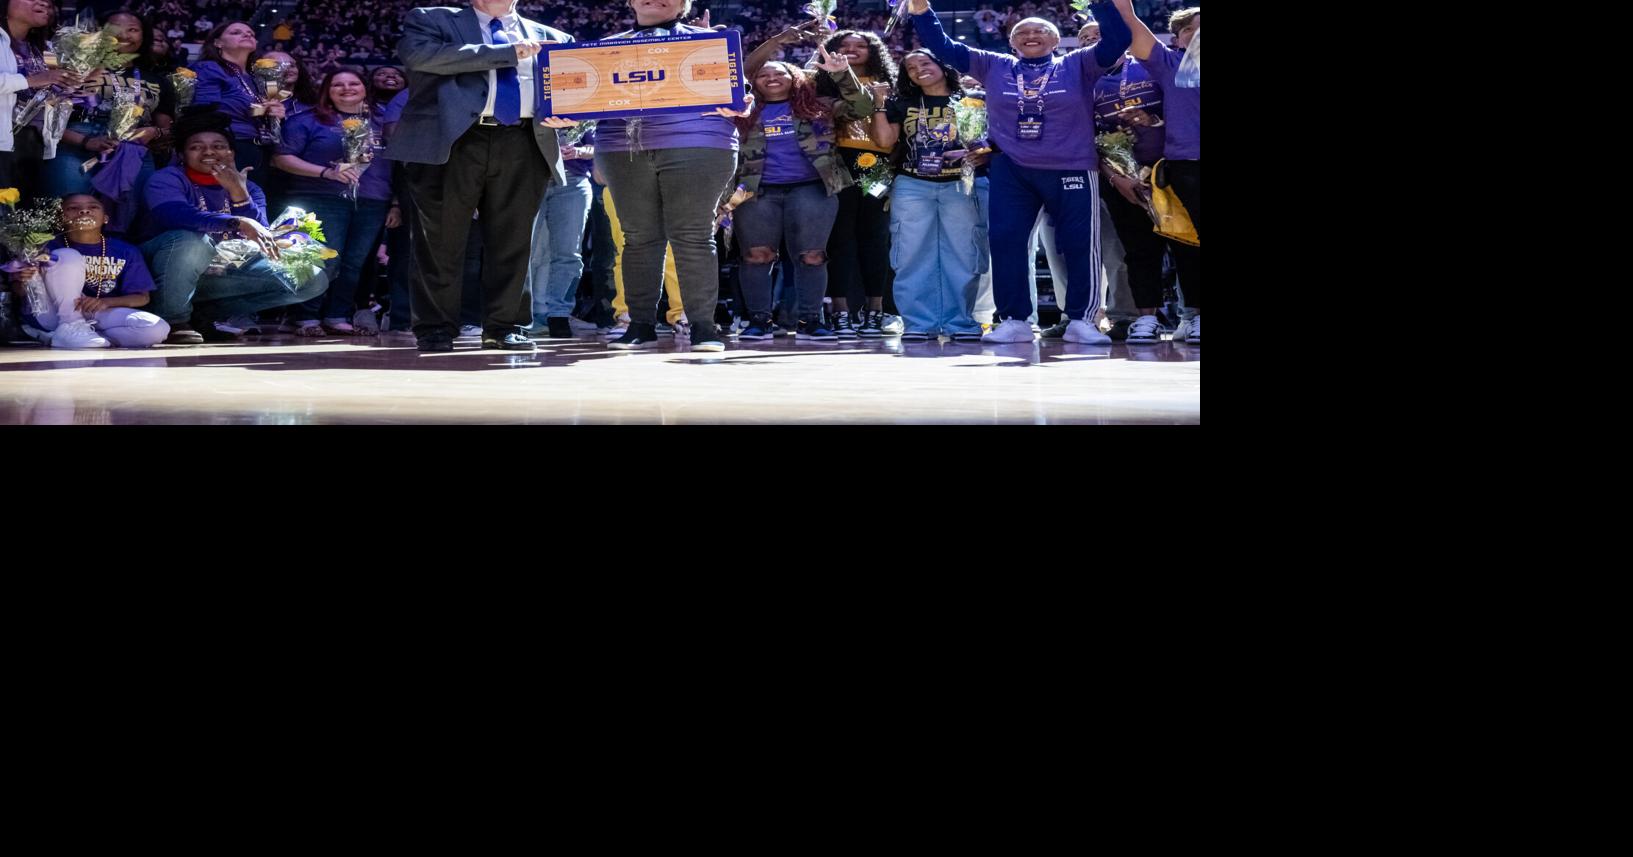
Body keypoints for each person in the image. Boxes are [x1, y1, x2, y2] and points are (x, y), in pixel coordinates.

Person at [905, 0, 1132, 345]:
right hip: (1012, 168)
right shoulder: (994, 64)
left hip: (1070, 166)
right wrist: (922, 10)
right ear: (1011, 43)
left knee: (1079, 244)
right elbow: (943, 47)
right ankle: (1014, 320)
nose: (1030, 35)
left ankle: (1082, 320)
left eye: (1040, 30)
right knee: (1006, 241)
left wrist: (1100, 4)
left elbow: (1118, 40)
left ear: (1056, 40)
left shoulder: (1079, 63)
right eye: (1021, 32)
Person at [385, 0, 568, 352]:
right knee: (439, 240)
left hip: (525, 140)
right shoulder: (432, 19)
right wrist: (508, 52)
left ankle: (505, 326)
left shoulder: (554, 37)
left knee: (514, 242)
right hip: (450, 140)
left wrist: (572, 114)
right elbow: (423, 57)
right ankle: (435, 328)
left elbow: (571, 91)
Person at [588, 0, 751, 353]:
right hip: (622, 147)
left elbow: (740, 94)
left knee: (692, 235)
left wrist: (741, 102)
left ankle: (703, 327)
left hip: (697, 143)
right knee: (638, 237)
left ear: (682, 5)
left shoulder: (706, 42)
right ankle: (640, 326)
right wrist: (566, 113)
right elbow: (585, 97)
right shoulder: (603, 48)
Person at [139, 107, 328, 345]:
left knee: (311, 278)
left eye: (218, 146)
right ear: (182, 154)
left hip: (220, 269)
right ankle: (174, 320)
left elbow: (260, 237)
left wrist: (239, 193)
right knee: (191, 241)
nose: (209, 151)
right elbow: (173, 215)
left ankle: (202, 316)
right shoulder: (167, 178)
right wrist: (235, 221)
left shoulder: (252, 189)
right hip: (164, 268)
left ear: (231, 153)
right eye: (196, 147)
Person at [730, 48, 871, 342]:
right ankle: (759, 321)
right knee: (756, 256)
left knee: (812, 256)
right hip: (754, 192)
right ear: (753, 82)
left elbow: (862, 107)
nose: (771, 78)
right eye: (763, 74)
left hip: (812, 188)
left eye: (779, 72)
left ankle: (810, 321)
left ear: (794, 77)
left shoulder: (818, 105)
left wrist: (843, 74)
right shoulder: (740, 111)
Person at [868, 50, 985, 341]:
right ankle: (919, 323)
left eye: (925, 63)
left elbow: (980, 142)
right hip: (912, 184)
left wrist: (978, 153)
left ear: (942, 66)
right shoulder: (901, 102)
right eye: (910, 67)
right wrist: (879, 103)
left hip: (960, 183)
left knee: (963, 253)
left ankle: (960, 323)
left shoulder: (971, 99)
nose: (918, 69)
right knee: (910, 254)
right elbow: (883, 140)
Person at [273, 66, 396, 336]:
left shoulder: (383, 119)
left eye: (354, 83)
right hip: (322, 197)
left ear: (365, 88)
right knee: (323, 258)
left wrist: (396, 202)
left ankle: (336, 314)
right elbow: (281, 158)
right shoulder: (308, 120)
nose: (346, 88)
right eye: (338, 85)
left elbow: (399, 162)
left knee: (354, 263)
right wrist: (325, 172)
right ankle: (305, 317)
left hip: (373, 199)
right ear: (327, 91)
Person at [1110, 2, 1199, 344]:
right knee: (1187, 245)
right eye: (1189, 29)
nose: (1198, 33)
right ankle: (1189, 316)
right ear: (1177, 40)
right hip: (1186, 166)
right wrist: (1122, 7)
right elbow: (1132, 26)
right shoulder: (1171, 63)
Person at [10, 193, 168, 348]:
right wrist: (25, 280)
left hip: (96, 312)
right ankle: (70, 326)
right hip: (53, 314)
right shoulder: (44, 247)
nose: (84, 211)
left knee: (156, 328)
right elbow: (20, 292)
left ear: (105, 218)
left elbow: (142, 297)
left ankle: (69, 337)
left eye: (93, 207)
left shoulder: (125, 251)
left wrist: (104, 302)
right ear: (60, 219)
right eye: (73, 208)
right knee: (67, 255)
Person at [191, 21, 288, 174]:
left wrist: (275, 113)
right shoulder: (209, 68)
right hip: (227, 147)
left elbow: (257, 112)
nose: (247, 35)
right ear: (218, 43)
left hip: (259, 148)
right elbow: (205, 111)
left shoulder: (256, 77)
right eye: (236, 32)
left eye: (251, 34)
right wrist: (258, 110)